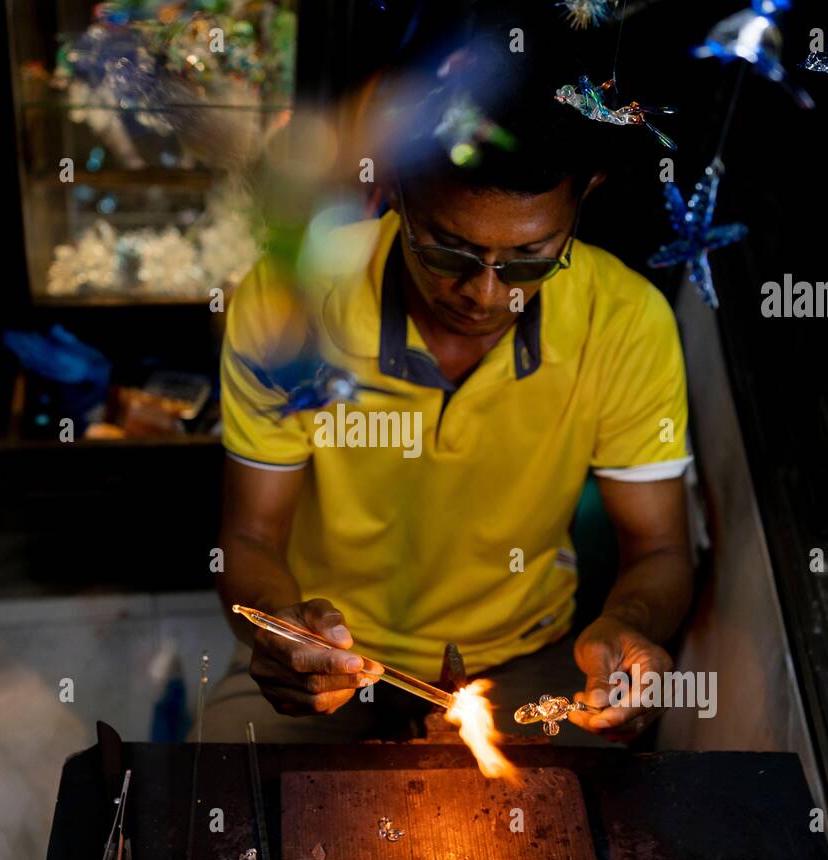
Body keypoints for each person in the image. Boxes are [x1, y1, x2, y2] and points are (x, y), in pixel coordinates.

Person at [200, 26, 694, 747]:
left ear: (584, 200)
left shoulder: (627, 323)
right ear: (393, 189)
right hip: (335, 654)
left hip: (528, 658)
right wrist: (286, 635)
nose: (484, 294)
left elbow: (659, 550)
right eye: (448, 250)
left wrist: (626, 629)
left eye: (529, 258)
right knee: (226, 805)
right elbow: (247, 536)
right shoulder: (292, 306)